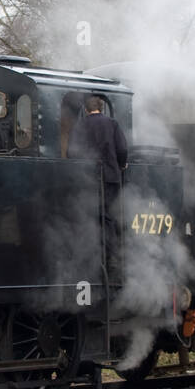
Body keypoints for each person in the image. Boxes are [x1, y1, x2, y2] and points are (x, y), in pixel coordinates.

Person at [68, 95, 128, 274]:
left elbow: (72, 151)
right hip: (110, 176)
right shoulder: (112, 123)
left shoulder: (80, 126)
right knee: (107, 217)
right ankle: (109, 259)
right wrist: (121, 164)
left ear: (86, 110)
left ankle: (89, 257)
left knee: (87, 216)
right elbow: (123, 149)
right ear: (101, 108)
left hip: (87, 179)